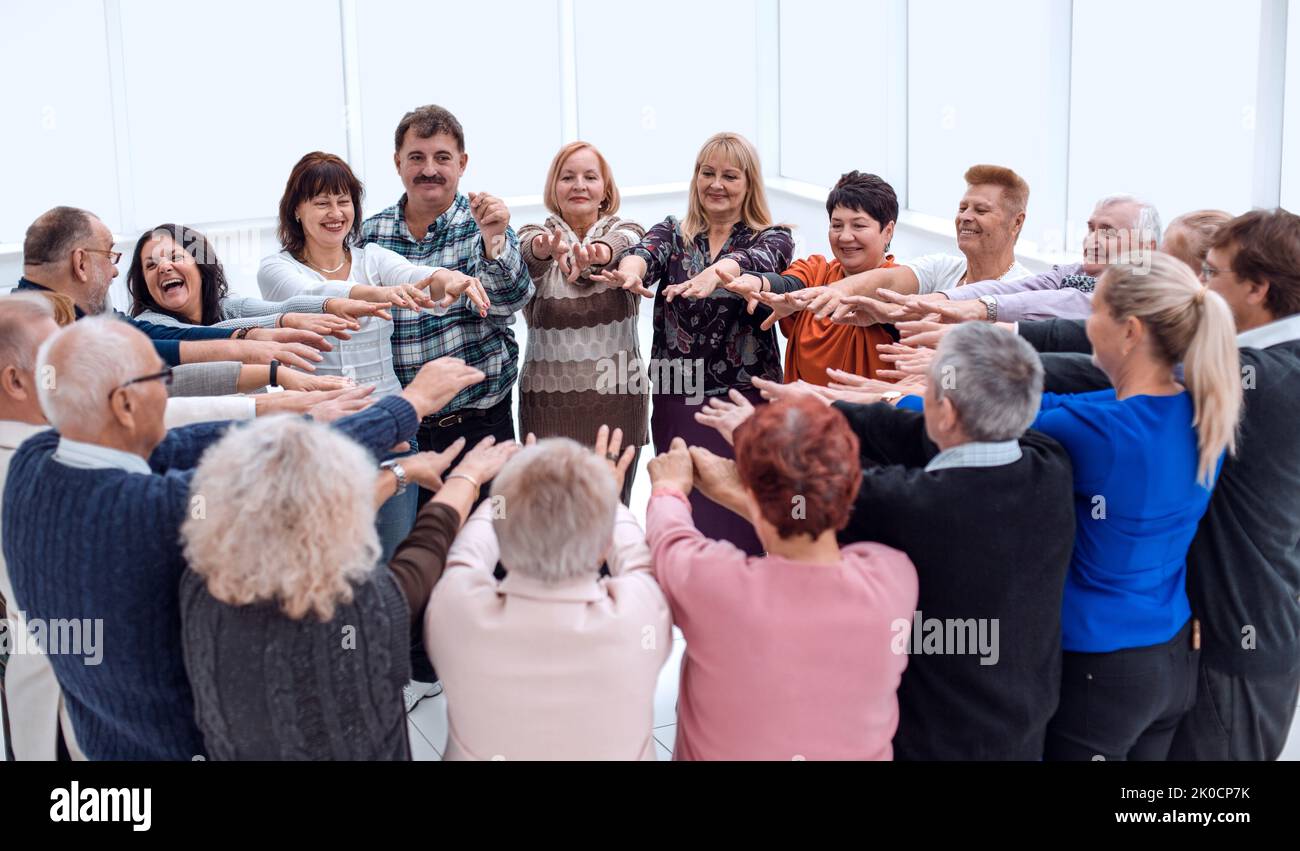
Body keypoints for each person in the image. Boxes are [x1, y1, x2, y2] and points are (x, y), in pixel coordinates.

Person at [1, 314, 485, 760]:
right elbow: (266, 481)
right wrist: (410, 405)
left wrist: (306, 421)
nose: (168, 395)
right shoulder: (141, 513)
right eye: (160, 380)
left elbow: (179, 444)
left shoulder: (36, 458)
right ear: (125, 404)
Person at [696, 323, 1075, 759]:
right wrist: (832, 407)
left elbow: (815, 493)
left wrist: (757, 436)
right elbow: (920, 435)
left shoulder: (912, 506)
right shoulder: (1050, 463)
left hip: (935, 733)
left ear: (946, 412)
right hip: (1027, 718)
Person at [1025, 210, 1300, 759]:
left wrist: (998, 359)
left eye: (1212, 271)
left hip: (1234, 641)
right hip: (1196, 642)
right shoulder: (1257, 366)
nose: (1201, 285)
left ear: (1257, 286)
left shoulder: (1265, 378)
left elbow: (1136, 365)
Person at [975, 254, 1239, 760]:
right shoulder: (1201, 407)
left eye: (1093, 311)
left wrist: (878, 403)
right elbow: (1066, 408)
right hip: (1172, 659)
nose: (1084, 325)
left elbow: (981, 418)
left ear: (1131, 331)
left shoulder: (1105, 429)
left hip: (1101, 667)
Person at [178, 418, 519, 760]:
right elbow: (428, 546)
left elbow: (299, 519)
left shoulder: (198, 590)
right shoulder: (360, 610)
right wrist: (467, 476)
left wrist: (400, 474)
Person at [645, 399, 917, 760]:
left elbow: (669, 538)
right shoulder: (894, 578)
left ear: (752, 494)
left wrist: (669, 487)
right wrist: (751, 498)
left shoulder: (713, 585)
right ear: (850, 487)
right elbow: (812, 531)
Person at [257, 151, 489, 565]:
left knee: (392, 561)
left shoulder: (373, 258)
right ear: (297, 209)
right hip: (318, 439)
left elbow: (416, 275)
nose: (335, 212)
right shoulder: (275, 268)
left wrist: (445, 278)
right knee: (329, 564)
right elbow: (312, 299)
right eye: (322, 201)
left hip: (391, 433)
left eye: (343, 201)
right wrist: (380, 295)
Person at [595, 132, 795, 554]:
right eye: (707, 173)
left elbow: (757, 263)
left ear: (749, 184)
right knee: (685, 509)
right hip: (678, 393)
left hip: (745, 399)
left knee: (745, 511)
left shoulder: (773, 237)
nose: (716, 184)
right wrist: (631, 271)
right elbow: (643, 253)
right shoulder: (673, 231)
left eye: (729, 176)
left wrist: (717, 272)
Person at [426, 426, 670, 760]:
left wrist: (505, 492)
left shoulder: (454, 607)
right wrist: (607, 498)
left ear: (502, 539)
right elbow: (637, 557)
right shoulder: (642, 613)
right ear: (605, 547)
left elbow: (470, 546)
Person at [360, 104, 534, 489]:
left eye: (442, 157)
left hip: (482, 423)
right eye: (416, 157)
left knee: (490, 539)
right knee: (418, 544)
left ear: (462, 162)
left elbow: (508, 302)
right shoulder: (369, 235)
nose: (429, 169)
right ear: (397, 162)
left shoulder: (486, 223)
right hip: (405, 429)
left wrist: (494, 240)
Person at [16, 206, 327, 381]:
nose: (113, 271)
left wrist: (246, 339)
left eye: (176, 257)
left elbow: (147, 337)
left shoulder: (80, 316)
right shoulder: (39, 333)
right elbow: (162, 358)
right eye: (109, 255)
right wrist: (265, 366)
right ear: (81, 263)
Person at [516, 142, 647, 503]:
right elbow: (529, 252)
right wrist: (548, 248)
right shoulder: (531, 236)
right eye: (568, 177)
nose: (579, 185)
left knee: (611, 518)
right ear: (553, 188)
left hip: (617, 406)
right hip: (547, 411)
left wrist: (597, 254)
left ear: (605, 190)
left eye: (590, 177)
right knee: (550, 522)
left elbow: (628, 242)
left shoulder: (629, 234)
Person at [771, 165, 1034, 326]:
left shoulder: (1026, 292)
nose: (965, 217)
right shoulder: (943, 268)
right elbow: (888, 280)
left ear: (1016, 223)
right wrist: (836, 292)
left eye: (981, 210)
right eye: (962, 207)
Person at [0, 293, 84, 760]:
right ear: (15, 380)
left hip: (37, 695)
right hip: (65, 706)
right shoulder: (38, 470)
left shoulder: (44, 444)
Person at [732, 170, 902, 384]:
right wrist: (758, 282)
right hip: (804, 414)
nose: (845, 236)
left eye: (858, 225)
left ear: (888, 231)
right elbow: (789, 286)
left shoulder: (902, 285)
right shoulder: (816, 270)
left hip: (871, 414)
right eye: (837, 225)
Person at [886, 195, 1162, 324]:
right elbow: (1020, 288)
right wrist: (941, 299)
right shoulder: (1077, 271)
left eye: (1108, 232)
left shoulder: (1148, 290)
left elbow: (1063, 301)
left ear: (1146, 247)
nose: (1093, 240)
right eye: (1091, 229)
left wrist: (981, 308)